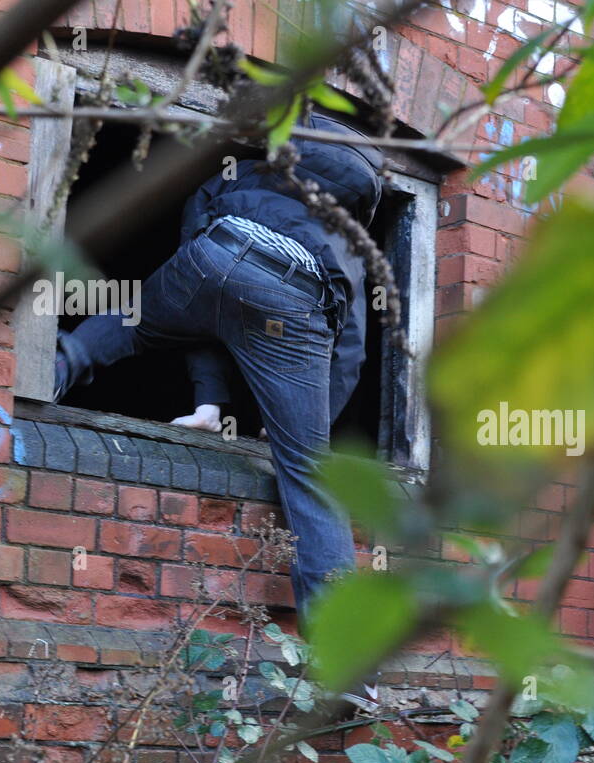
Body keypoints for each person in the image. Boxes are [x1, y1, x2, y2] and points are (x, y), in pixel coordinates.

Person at [53, 111, 383, 616]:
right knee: (310, 470)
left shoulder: (246, 174)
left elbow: (199, 258)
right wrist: (299, 427)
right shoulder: (352, 242)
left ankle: (41, 379)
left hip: (215, 248)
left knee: (133, 317)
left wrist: (209, 394)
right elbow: (351, 349)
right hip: (293, 292)